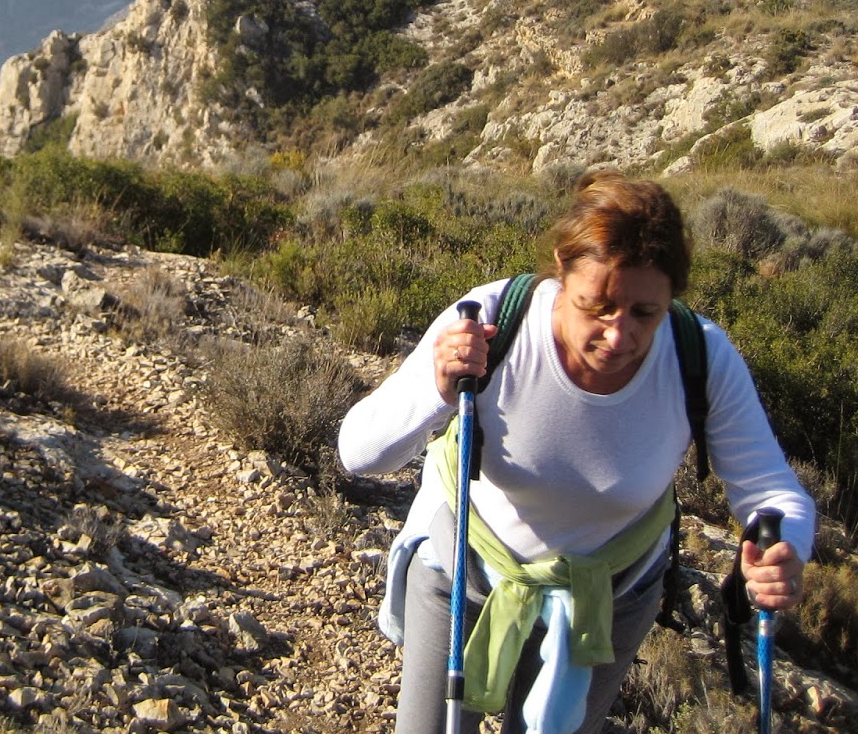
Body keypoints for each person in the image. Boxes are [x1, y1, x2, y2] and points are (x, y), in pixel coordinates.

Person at [338, 170, 814, 734]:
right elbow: (358, 451)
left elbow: (770, 490)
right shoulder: (491, 323)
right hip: (464, 566)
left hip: (608, 596)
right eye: (598, 306)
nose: (618, 336)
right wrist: (436, 388)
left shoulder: (700, 356)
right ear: (562, 270)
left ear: (671, 298)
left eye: (644, 313)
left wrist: (783, 546)